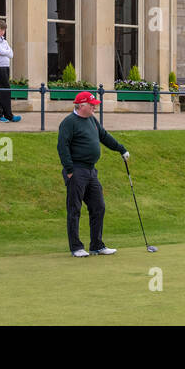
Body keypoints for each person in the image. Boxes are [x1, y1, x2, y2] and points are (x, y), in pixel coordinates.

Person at [59, 92, 128, 257]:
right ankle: (76, 247)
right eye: (92, 105)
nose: (95, 106)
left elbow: (104, 136)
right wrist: (69, 170)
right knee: (74, 209)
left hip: (91, 170)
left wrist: (121, 149)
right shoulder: (69, 123)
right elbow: (63, 147)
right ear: (81, 105)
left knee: (98, 206)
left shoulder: (91, 119)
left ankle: (97, 245)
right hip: (76, 170)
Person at [0, 19, 21, 123]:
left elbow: (11, 54)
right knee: (4, 90)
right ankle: (5, 115)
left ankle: (3, 114)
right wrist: (5, 52)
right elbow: (2, 51)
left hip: (5, 66)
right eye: (1, 29)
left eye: (4, 30)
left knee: (3, 91)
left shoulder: (4, 40)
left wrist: (4, 52)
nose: (3, 31)